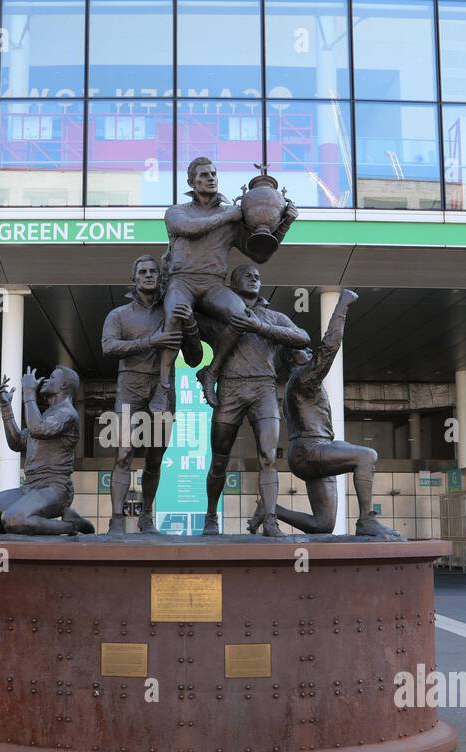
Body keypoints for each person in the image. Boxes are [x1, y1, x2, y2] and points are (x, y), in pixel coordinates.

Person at [246, 289, 404, 540]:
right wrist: (343, 305)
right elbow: (329, 347)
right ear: (291, 359)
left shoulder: (297, 383)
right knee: (367, 456)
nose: (309, 354)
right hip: (311, 451)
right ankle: (366, 521)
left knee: (323, 525)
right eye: (303, 351)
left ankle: (271, 508)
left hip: (309, 454)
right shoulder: (303, 378)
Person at [160, 156, 297, 409]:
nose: (210, 178)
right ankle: (162, 386)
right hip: (182, 281)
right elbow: (190, 228)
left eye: (213, 174)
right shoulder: (177, 212)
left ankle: (210, 372)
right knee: (173, 315)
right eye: (203, 175)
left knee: (242, 315)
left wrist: (285, 224)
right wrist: (230, 215)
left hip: (213, 284)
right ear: (191, 182)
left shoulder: (231, 216)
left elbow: (260, 255)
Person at [197, 264, 310, 537]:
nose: (254, 279)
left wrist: (259, 325)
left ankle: (270, 519)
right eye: (247, 275)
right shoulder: (218, 317)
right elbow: (190, 319)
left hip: (264, 389)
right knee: (219, 460)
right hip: (230, 389)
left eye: (258, 277)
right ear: (233, 283)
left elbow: (302, 337)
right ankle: (211, 515)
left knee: (268, 457)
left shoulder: (273, 317)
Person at [101, 255, 202, 534]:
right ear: (133, 278)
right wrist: (151, 341)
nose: (148, 275)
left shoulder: (172, 310)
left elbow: (195, 358)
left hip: (163, 388)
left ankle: (146, 516)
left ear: (161, 277)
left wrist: (191, 323)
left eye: (153, 271)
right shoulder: (119, 315)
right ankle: (117, 519)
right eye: (142, 272)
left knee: (155, 458)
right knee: (124, 452)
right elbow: (108, 347)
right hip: (130, 388)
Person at [0, 366, 94, 535]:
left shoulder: (67, 413)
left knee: (14, 519)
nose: (46, 380)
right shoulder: (45, 415)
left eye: (52, 377)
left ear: (64, 385)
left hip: (55, 489)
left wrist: (28, 393)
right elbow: (17, 442)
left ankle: (71, 525)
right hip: (29, 488)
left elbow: (37, 429)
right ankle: (23, 526)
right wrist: (6, 406)